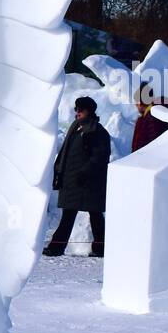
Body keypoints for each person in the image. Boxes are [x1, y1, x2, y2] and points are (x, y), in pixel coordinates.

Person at [43, 96, 111, 258]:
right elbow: (65, 151)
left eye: (81, 109)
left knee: (94, 215)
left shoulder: (98, 131)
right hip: (72, 181)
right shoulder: (76, 127)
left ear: (90, 111)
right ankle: (57, 247)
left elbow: (99, 157)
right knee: (69, 214)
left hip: (89, 183)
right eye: (76, 109)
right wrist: (58, 170)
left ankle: (100, 248)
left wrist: (84, 173)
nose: (77, 112)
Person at [131, 81, 168, 152]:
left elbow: (153, 144)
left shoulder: (151, 118)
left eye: (136, 102)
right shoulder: (150, 116)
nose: (136, 105)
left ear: (140, 102)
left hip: (147, 160)